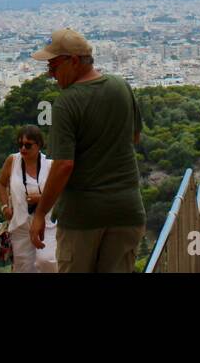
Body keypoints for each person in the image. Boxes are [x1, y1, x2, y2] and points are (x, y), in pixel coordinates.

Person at [28, 29, 145, 273]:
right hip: (127, 209)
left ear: (73, 61)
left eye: (53, 64)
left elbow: (63, 165)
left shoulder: (67, 101)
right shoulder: (121, 87)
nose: (50, 72)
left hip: (83, 215)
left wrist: (40, 214)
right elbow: (134, 137)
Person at [0, 125, 58, 273]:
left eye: (28, 145)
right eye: (20, 144)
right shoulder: (12, 161)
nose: (23, 148)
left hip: (46, 223)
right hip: (20, 225)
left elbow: (60, 193)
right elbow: (1, 184)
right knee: (24, 268)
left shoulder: (50, 165)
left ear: (39, 145)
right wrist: (5, 207)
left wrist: (41, 198)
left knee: (47, 262)